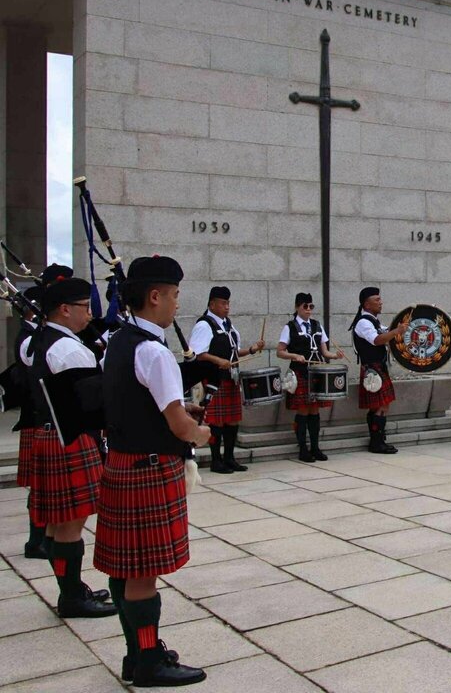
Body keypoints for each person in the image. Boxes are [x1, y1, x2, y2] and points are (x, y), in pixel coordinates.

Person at [93, 255, 210, 686]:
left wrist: (182, 410)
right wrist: (201, 433)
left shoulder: (119, 343)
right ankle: (147, 661)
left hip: (122, 462)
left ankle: (136, 654)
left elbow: (137, 402)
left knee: (124, 571)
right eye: (175, 295)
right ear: (155, 296)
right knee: (143, 575)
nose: (178, 303)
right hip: (149, 468)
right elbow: (178, 425)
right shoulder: (154, 351)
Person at [26, 274, 116, 620]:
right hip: (69, 437)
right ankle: (71, 596)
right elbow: (91, 400)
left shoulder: (45, 339)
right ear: (64, 310)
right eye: (84, 307)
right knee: (70, 523)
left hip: (51, 433)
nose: (90, 314)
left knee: (56, 524)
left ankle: (71, 588)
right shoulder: (67, 348)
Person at [189, 286, 265, 473]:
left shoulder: (229, 326)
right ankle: (216, 461)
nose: (227, 307)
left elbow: (234, 353)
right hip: (214, 379)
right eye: (223, 303)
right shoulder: (204, 325)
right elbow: (197, 354)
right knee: (217, 421)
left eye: (228, 303)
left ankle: (229, 458)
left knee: (232, 420)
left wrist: (252, 349)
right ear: (212, 304)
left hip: (231, 378)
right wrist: (218, 361)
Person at [276, 292, 344, 462]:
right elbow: (280, 351)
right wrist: (293, 356)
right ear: (297, 307)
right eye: (305, 306)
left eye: (311, 306)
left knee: (315, 410)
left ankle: (315, 447)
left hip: (316, 371)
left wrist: (335, 356)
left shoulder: (317, 325)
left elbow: (324, 351)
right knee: (303, 410)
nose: (308, 310)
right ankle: (303, 449)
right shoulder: (289, 327)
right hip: (300, 371)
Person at [350, 286, 407, 454]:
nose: (381, 302)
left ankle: (379, 439)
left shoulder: (374, 321)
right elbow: (376, 340)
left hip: (378, 367)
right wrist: (396, 331)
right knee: (380, 406)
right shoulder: (363, 322)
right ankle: (376, 443)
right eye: (377, 300)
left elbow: (386, 335)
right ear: (366, 305)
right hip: (372, 369)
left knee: (380, 406)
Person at [13, 285, 47, 559]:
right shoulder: (29, 339)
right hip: (38, 418)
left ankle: (41, 538)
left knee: (45, 488)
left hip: (43, 419)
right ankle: (36, 540)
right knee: (40, 487)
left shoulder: (37, 335)